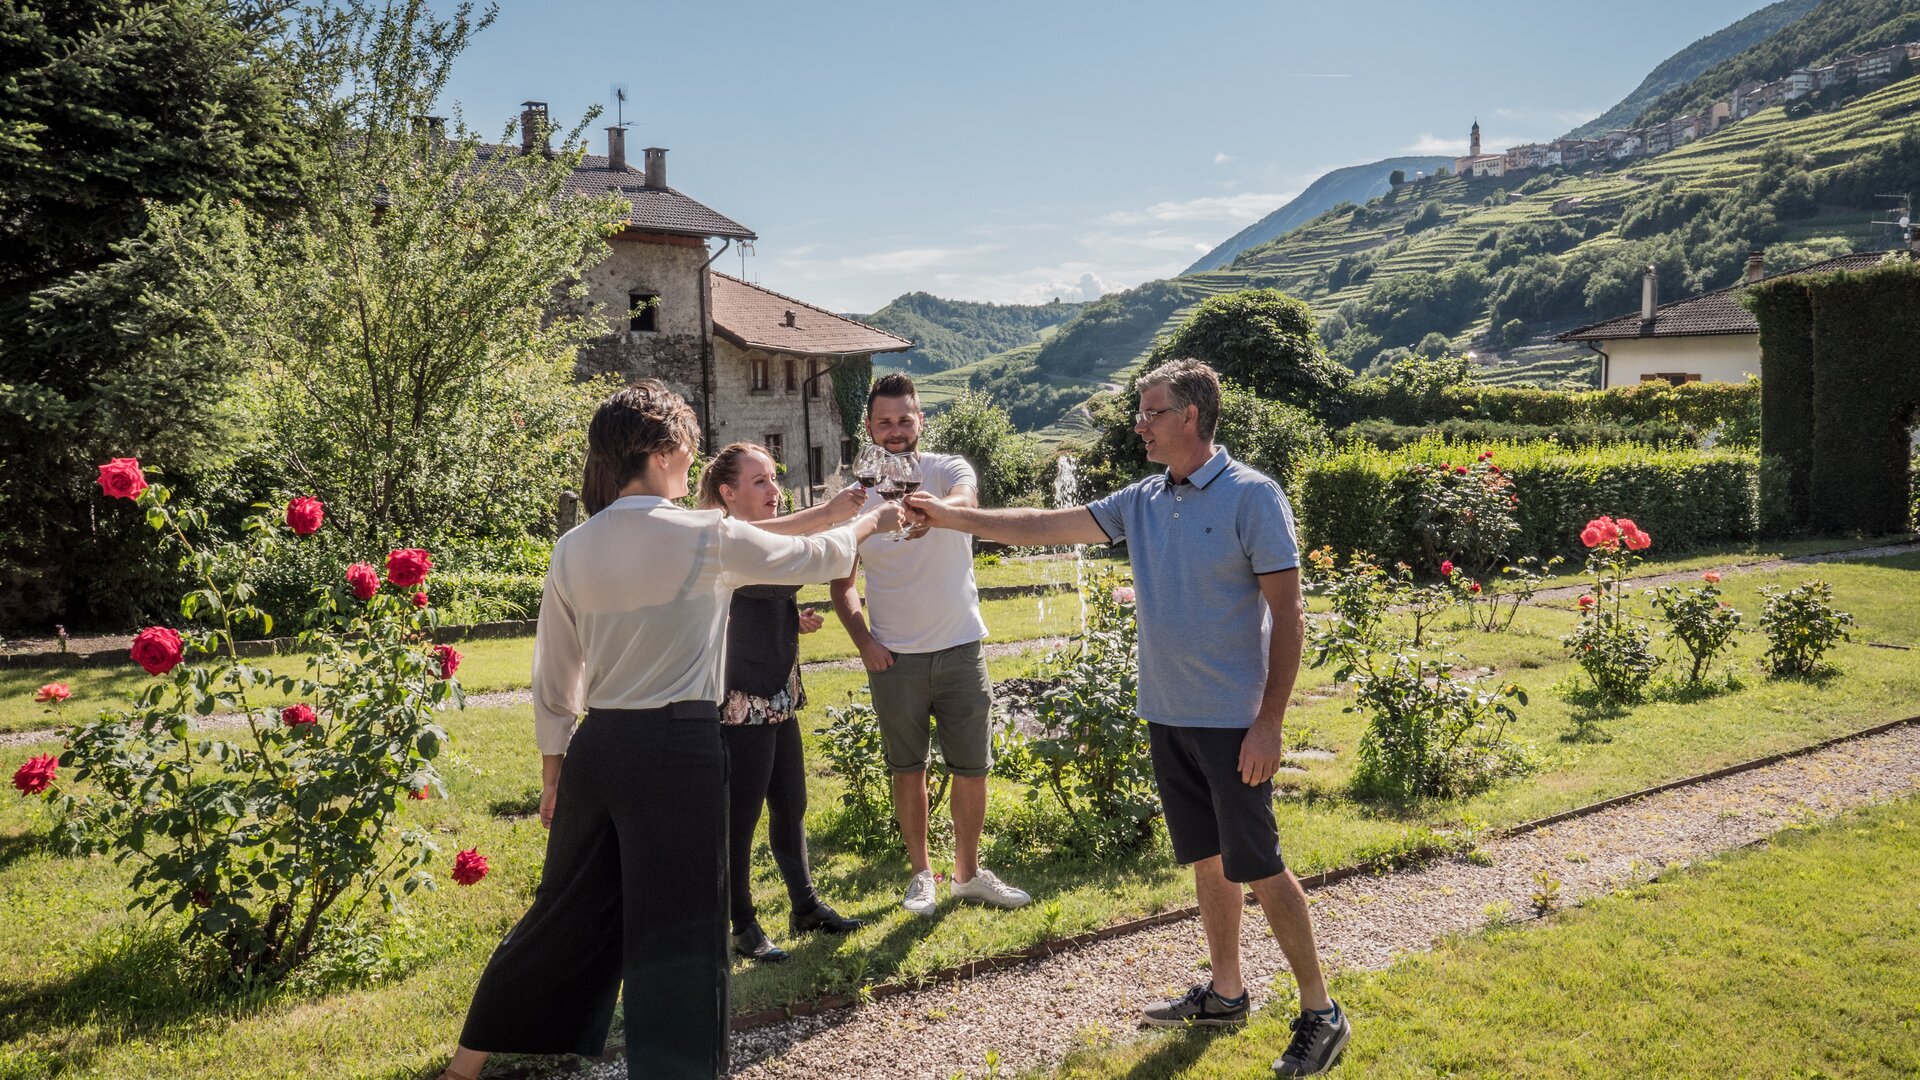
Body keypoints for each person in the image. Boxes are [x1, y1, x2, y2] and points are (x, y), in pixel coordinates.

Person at [437, 383, 902, 1080]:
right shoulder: (703, 534)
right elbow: (821, 559)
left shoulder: (574, 546)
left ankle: (464, 1067)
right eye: (688, 446)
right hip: (677, 749)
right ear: (663, 452)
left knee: (560, 914)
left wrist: (553, 767)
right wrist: (872, 522)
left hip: (598, 747)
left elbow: (554, 671)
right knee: (683, 936)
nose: (694, 461)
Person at [903, 359, 1352, 1077]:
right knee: (1209, 862)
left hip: (1234, 721)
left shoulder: (1252, 496)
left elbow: (1289, 614)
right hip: (1167, 714)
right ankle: (1227, 994)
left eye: (1150, 412)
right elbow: (1046, 523)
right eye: (1140, 412)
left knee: (1261, 866)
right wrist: (952, 515)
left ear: (1190, 418)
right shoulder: (1144, 498)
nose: (1138, 424)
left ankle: (1321, 1012)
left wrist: (1270, 721)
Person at [829, 373, 1030, 917]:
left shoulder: (948, 469)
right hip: (895, 656)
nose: (896, 431)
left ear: (920, 420)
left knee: (972, 768)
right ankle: (923, 875)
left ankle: (967, 874)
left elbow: (966, 497)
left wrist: (938, 512)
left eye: (905, 419)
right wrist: (864, 641)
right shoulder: (854, 496)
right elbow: (841, 582)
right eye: (885, 422)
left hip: (963, 645)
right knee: (908, 768)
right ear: (868, 426)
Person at [697, 443, 869, 962]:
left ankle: (804, 906)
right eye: (760, 483)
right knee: (741, 816)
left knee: (791, 803)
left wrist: (791, 617)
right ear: (727, 494)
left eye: (774, 480)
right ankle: (741, 924)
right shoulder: (722, 542)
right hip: (741, 699)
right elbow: (773, 576)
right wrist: (834, 519)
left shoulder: (761, 541)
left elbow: (769, 591)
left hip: (779, 691)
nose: (774, 491)